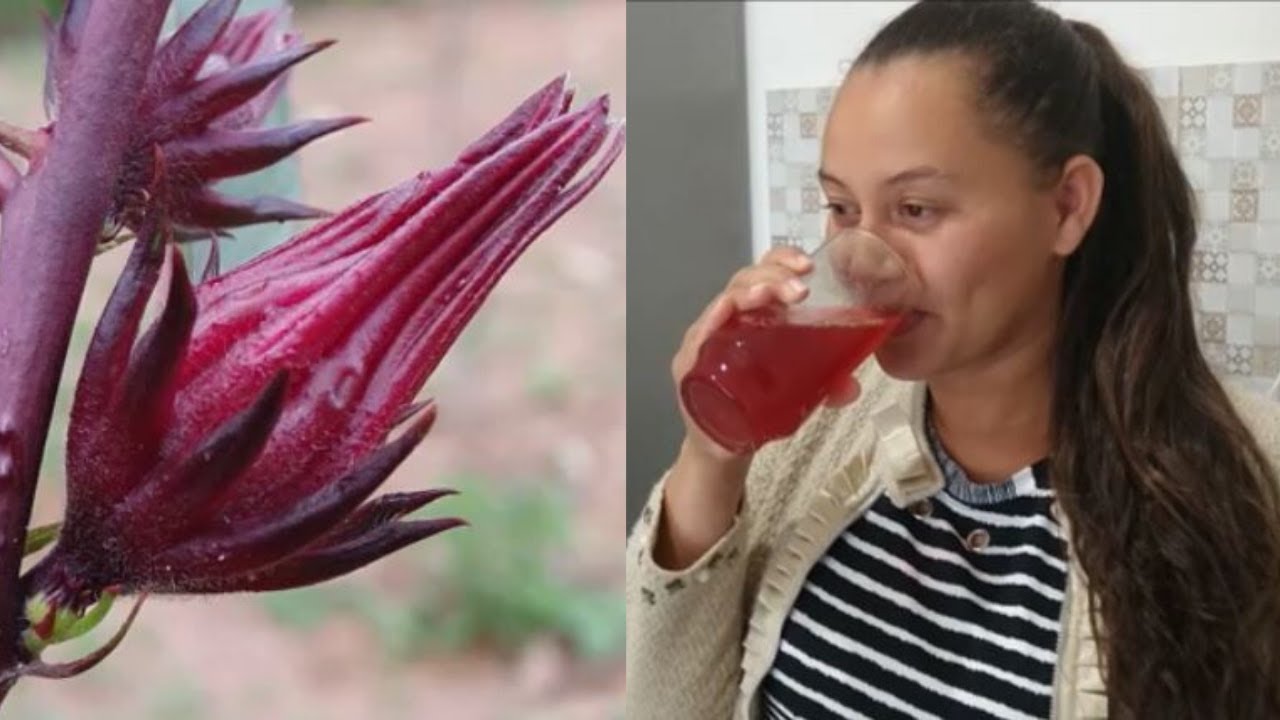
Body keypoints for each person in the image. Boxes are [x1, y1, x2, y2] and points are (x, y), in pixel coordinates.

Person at [625, 1, 1280, 718]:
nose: (865, 263)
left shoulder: (1243, 484)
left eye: (917, 210)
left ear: (1066, 207)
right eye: (843, 210)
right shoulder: (814, 438)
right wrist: (713, 458)